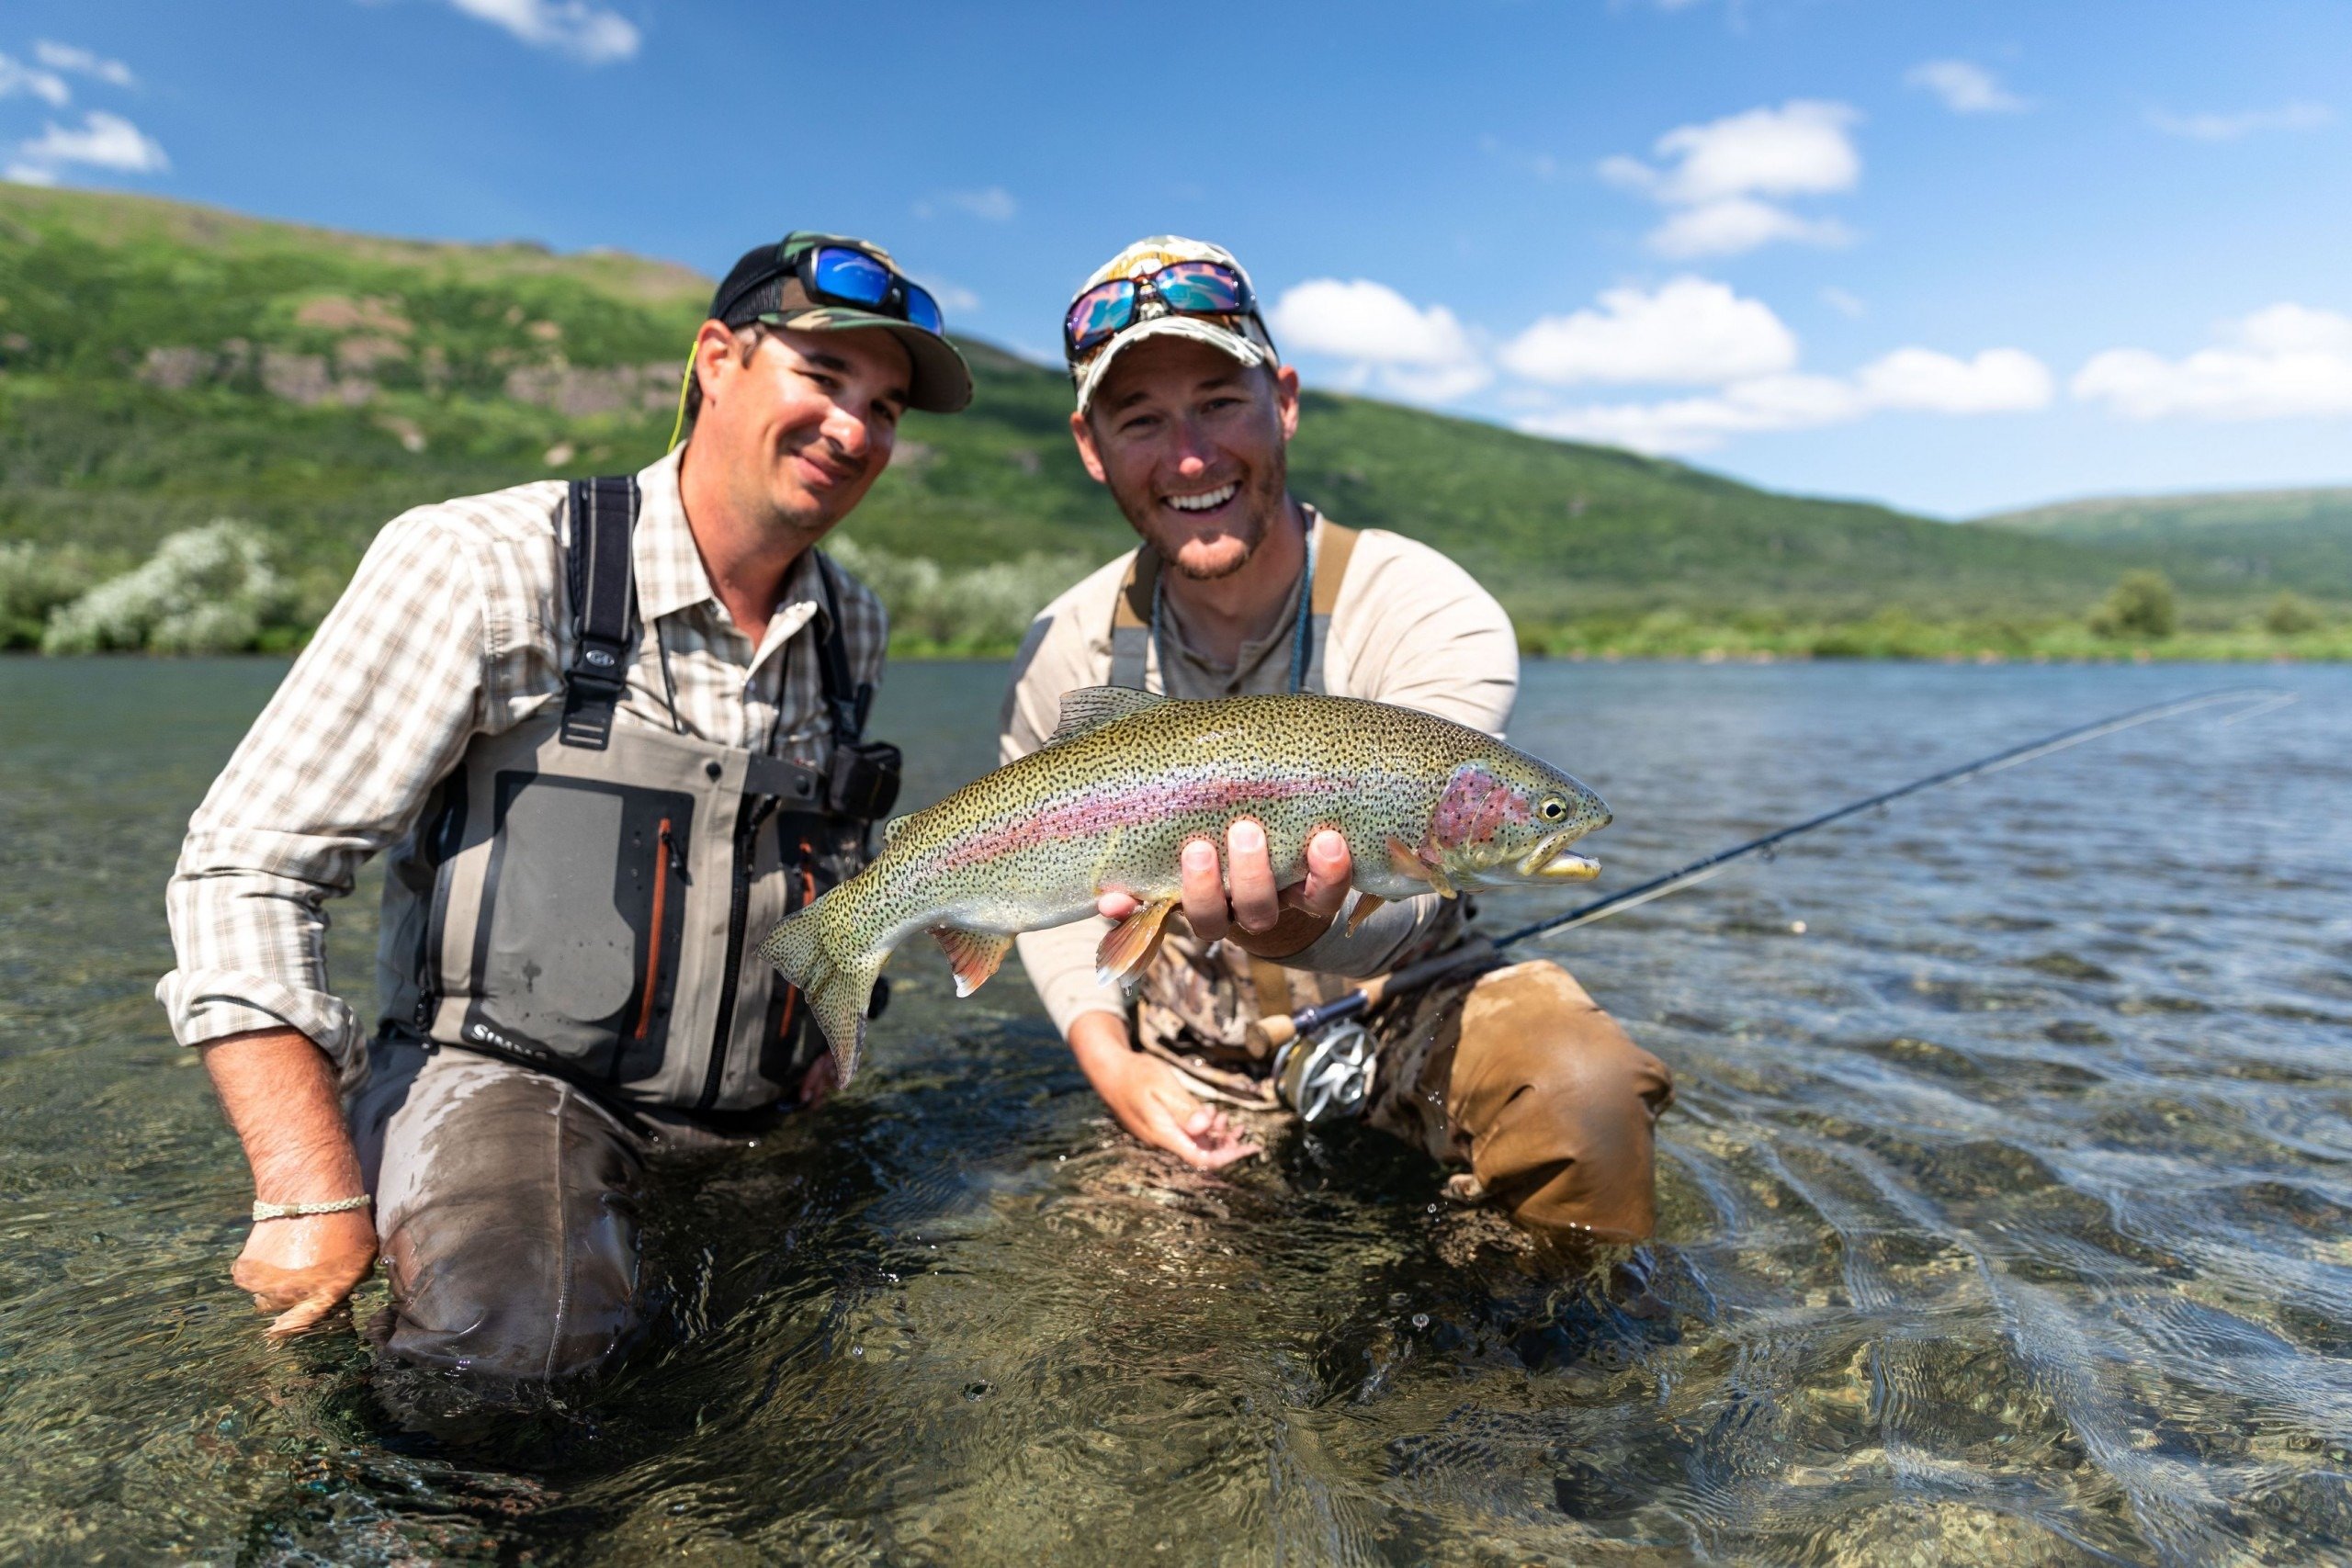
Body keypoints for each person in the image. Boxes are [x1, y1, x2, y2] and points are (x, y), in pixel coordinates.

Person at [159, 231, 970, 1378]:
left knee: (830, 1376)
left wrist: (824, 1023)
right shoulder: (484, 561)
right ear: (716, 360)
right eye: (824, 377)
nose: (854, 429)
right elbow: (245, 868)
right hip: (505, 1082)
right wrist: (306, 1193)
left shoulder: (855, 623)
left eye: (887, 408)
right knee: (518, 1362)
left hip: (755, 1118)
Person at [1001, 237, 1675, 1240]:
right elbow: (1038, 891)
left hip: (1415, 999)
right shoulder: (1066, 649)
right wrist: (1113, 1062)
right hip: (1191, 1051)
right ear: (1091, 447)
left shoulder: (1428, 610)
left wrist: (1299, 924)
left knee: (1583, 1095)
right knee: (1142, 1343)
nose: (1189, 455)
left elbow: (1412, 884)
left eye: (1221, 403)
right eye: (1141, 419)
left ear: (1284, 401)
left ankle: (1546, 1370)